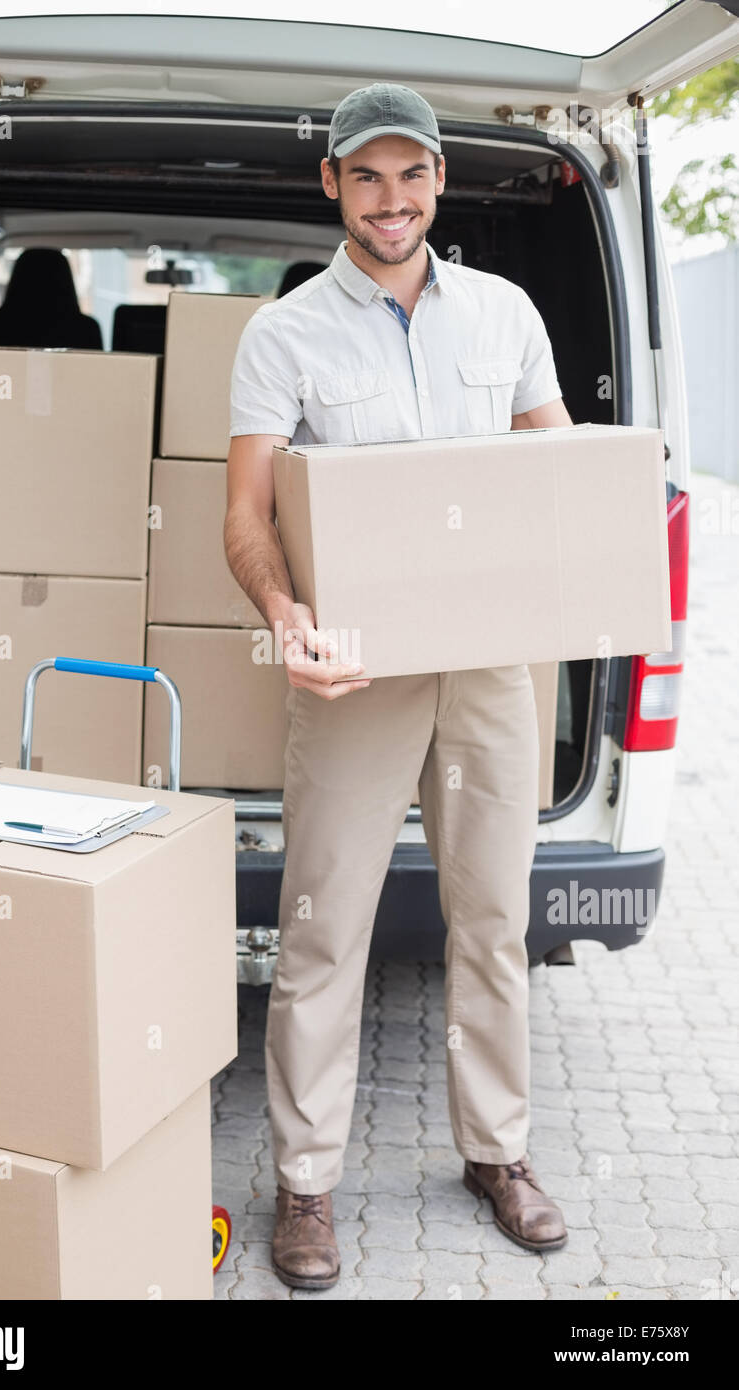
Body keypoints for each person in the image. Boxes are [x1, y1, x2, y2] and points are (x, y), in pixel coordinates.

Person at [224, 82, 573, 1292]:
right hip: (352, 673)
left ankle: (498, 1151)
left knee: (490, 920)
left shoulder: (505, 313)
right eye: (364, 176)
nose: (391, 199)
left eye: (409, 174)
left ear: (439, 180)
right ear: (330, 183)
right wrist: (286, 620)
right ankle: (306, 1180)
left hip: (484, 667)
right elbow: (245, 516)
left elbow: (552, 473)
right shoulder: (284, 334)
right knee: (324, 926)